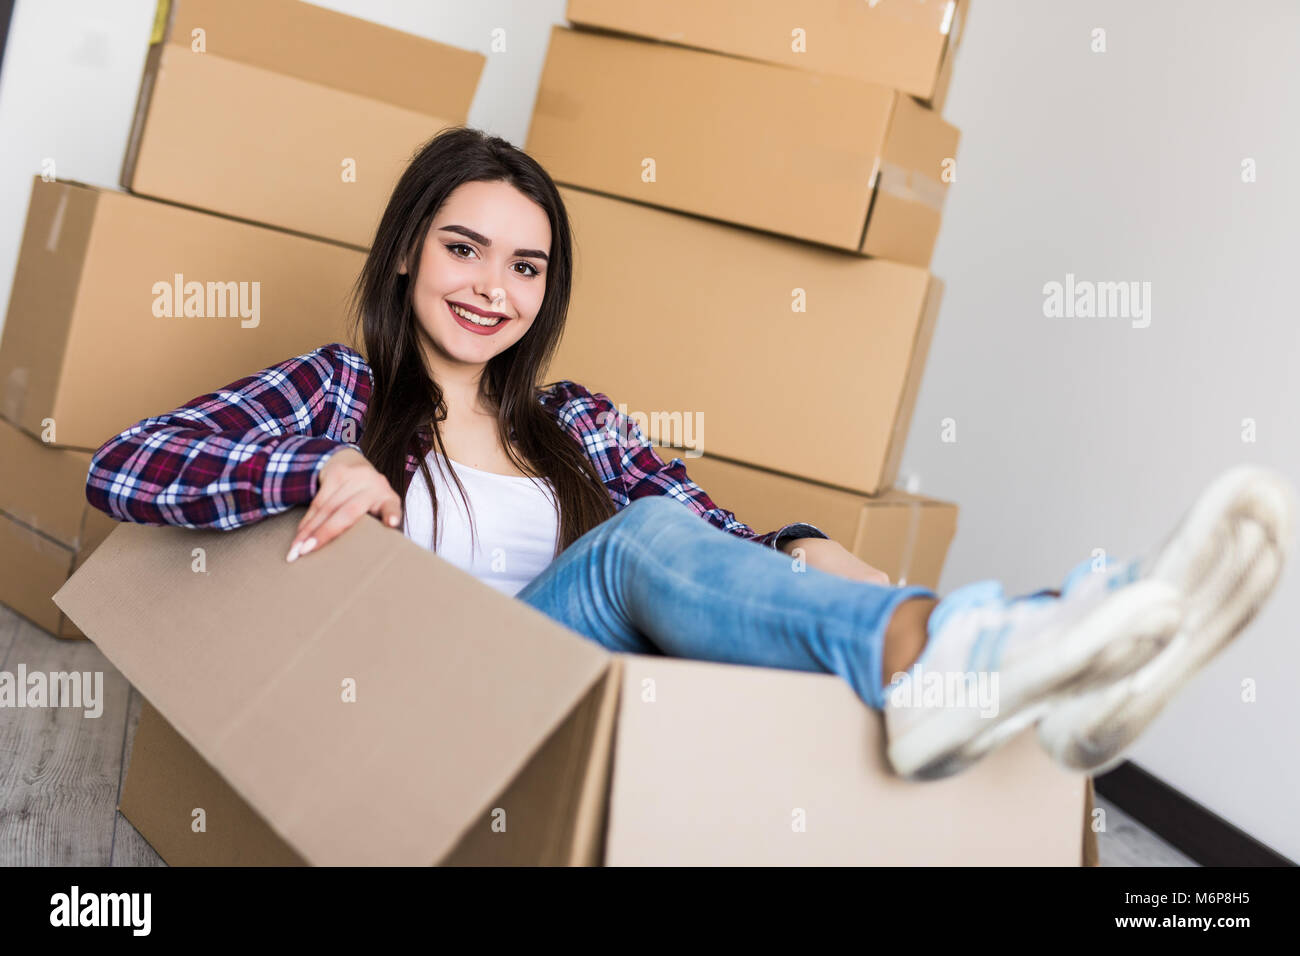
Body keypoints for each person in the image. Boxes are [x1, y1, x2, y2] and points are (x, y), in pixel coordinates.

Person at [84, 126, 1294, 783]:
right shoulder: (340, 386)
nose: (493, 288)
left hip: (577, 712)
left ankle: (1044, 658)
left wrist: (797, 546)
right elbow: (126, 466)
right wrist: (315, 468)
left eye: (526, 265)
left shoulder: (582, 424)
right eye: (464, 249)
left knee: (733, 560)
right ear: (406, 253)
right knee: (636, 547)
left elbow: (707, 554)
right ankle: (992, 646)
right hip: (416, 709)